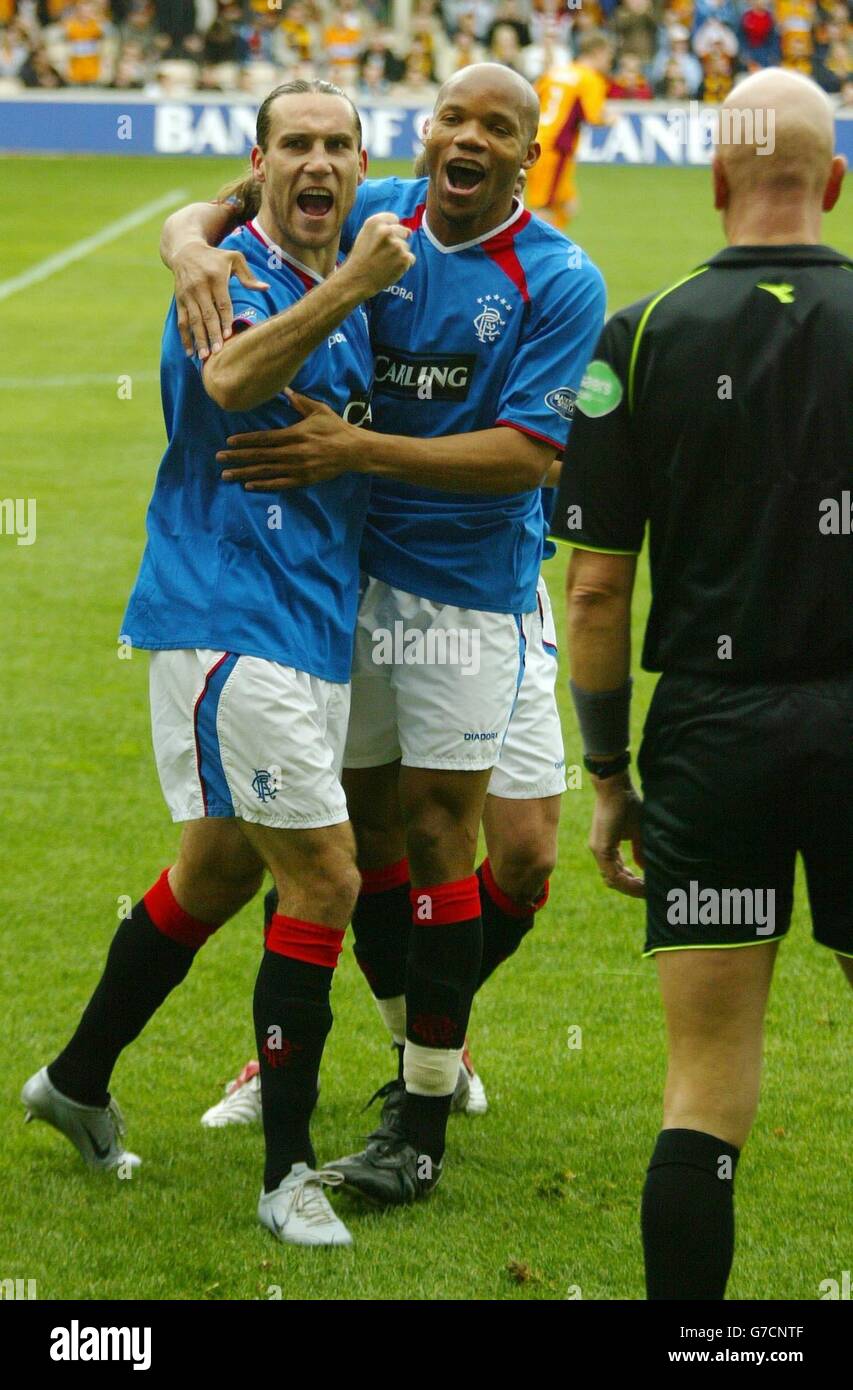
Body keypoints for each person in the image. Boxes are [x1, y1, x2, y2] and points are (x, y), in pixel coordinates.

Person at [160, 62, 606, 1206]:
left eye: (495, 126)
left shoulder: (560, 277)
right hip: (350, 584)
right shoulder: (375, 210)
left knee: (504, 853)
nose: (467, 138)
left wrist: (355, 451)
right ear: (424, 132)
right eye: (451, 117)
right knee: (357, 843)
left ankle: (423, 1063)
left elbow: (528, 458)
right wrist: (186, 243)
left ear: (526, 152)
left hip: (476, 593)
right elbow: (240, 199)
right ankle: (413, 1083)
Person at [21, 79, 415, 1250]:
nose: (317, 163)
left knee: (218, 870)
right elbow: (232, 381)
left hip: (308, 619)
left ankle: (74, 1081)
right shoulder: (230, 274)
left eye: (337, 145)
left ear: (361, 164)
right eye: (295, 143)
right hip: (226, 617)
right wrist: (316, 272)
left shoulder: (343, 243)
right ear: (259, 161)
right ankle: (286, 1174)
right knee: (327, 878)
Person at [551, 68, 851, 1298]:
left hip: (710, 740)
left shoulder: (636, 335)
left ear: (715, 175)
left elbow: (594, 591)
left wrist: (607, 772)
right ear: (835, 183)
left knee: (706, 1082)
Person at [526, 32, 614, 230]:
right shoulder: (590, 79)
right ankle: (528, 246)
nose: (610, 63)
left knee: (568, 205)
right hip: (554, 149)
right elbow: (594, 116)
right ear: (597, 52)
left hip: (537, 142)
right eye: (608, 56)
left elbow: (531, 98)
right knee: (544, 209)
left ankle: (550, 243)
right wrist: (610, 118)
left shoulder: (556, 73)